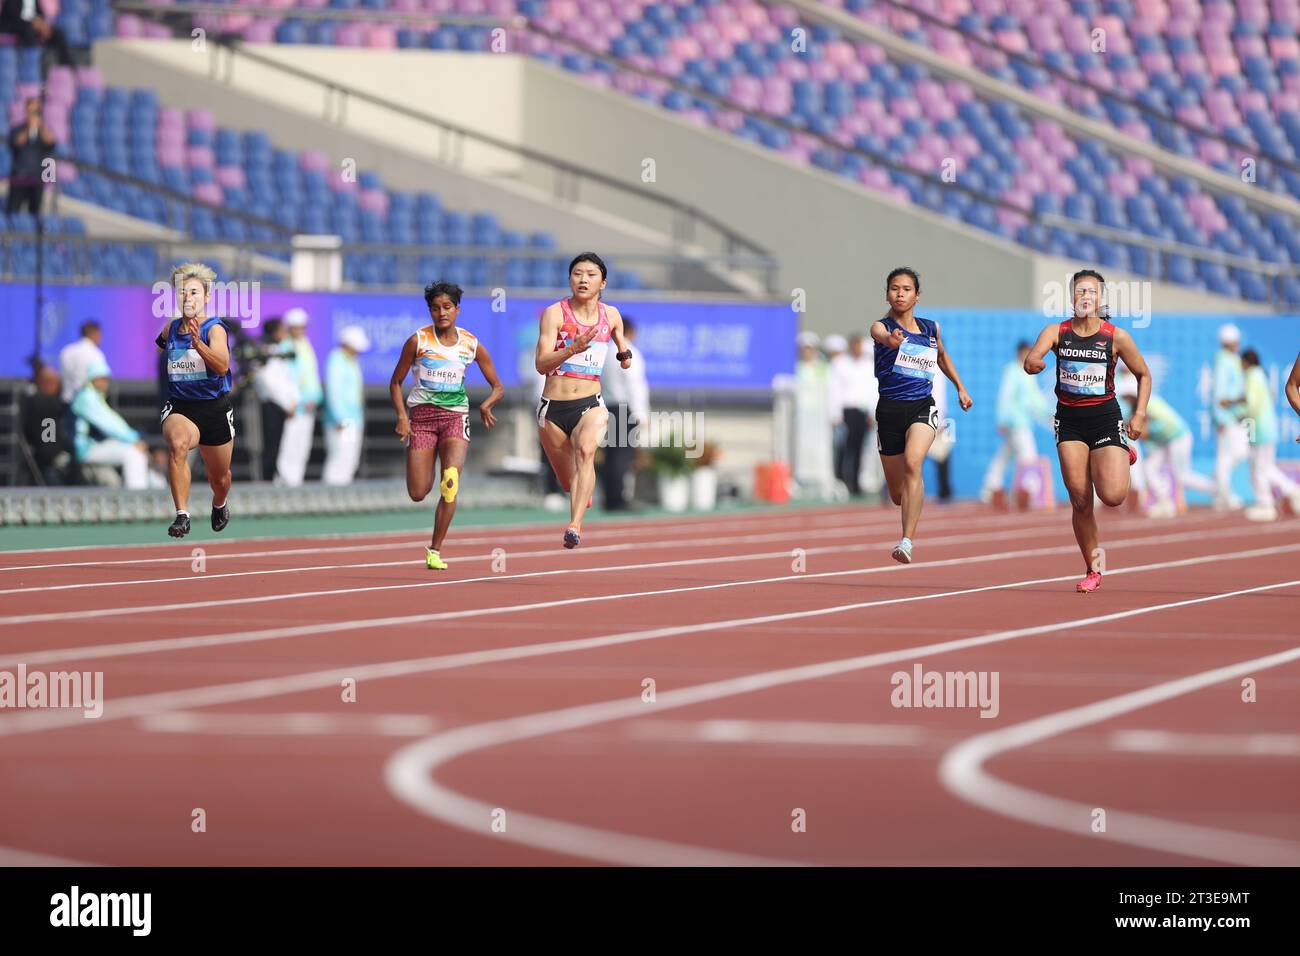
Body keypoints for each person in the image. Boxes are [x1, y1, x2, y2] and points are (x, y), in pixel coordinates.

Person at [1024, 269, 1150, 593]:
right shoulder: (1057, 331)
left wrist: (1139, 415)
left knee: (1112, 496)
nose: (1086, 298)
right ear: (1072, 297)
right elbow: (1031, 359)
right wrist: (1035, 362)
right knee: (1080, 501)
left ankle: (1121, 451)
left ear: (1100, 299)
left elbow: (1143, 374)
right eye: (1080, 292)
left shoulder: (1115, 337)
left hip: (1106, 419)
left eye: (1092, 293)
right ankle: (1093, 569)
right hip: (1069, 422)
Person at [390, 281, 504, 569]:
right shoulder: (418, 341)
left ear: (457, 309)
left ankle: (435, 550)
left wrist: (487, 403)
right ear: (429, 311)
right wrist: (403, 417)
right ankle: (428, 488)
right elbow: (396, 382)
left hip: (455, 417)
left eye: (447, 307)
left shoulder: (470, 343)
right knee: (418, 493)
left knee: (450, 481)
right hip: (423, 420)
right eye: (435, 308)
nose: (441, 313)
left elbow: (498, 386)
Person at [870, 266, 973, 563]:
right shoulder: (881, 326)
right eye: (894, 288)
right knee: (898, 494)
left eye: (906, 289)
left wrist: (961, 388)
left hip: (921, 406)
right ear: (887, 294)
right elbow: (880, 335)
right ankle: (908, 504)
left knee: (914, 463)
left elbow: (942, 356)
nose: (900, 294)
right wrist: (892, 341)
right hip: (889, 409)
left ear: (917, 295)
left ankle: (906, 541)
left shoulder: (931, 328)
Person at [534, 252, 633, 548]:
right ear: (569, 279)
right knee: (569, 482)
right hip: (552, 408)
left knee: (586, 451)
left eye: (590, 274)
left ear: (603, 282)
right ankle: (580, 492)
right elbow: (541, 364)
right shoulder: (555, 314)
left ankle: (574, 525)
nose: (583, 279)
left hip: (590, 403)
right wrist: (572, 349)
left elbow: (621, 344)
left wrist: (624, 355)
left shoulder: (611, 315)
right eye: (577, 274)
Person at [154, 262, 235, 537]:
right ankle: (182, 515)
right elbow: (159, 348)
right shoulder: (170, 329)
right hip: (181, 407)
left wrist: (198, 346)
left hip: (214, 407)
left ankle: (220, 503)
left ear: (206, 297)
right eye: (183, 293)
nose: (188, 298)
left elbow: (222, 366)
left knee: (220, 478)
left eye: (194, 293)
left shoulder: (215, 330)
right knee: (177, 445)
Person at [1116, 373, 1215, 515]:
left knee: (1183, 476)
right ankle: (1165, 502)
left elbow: (1162, 427)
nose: (1125, 400)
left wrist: (1143, 432)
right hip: (1163, 442)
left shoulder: (1149, 404)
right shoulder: (1135, 408)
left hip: (1178, 438)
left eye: (1127, 396)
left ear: (1133, 393)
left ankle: (1216, 489)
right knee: (1149, 468)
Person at [981, 340, 1051, 506]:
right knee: (1029, 455)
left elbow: (1035, 399)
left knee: (1004, 455)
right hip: (1016, 423)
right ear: (1019, 353)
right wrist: (1003, 419)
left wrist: (1049, 414)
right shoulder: (1012, 371)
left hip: (1022, 422)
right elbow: (1005, 396)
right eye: (1026, 352)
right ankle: (1027, 492)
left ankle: (989, 488)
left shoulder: (1027, 372)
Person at [69, 360, 154, 489]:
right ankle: (136, 498)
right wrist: (134, 438)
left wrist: (134, 438)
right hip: (86, 450)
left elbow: (113, 422)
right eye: (102, 379)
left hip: (96, 445)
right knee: (133, 452)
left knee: (136, 451)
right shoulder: (86, 398)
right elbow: (110, 425)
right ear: (93, 379)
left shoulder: (95, 396)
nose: (105, 383)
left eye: (106, 379)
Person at [1241, 348, 1300, 521]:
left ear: (1245, 362)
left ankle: (1265, 505)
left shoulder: (1252, 377)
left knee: (1257, 468)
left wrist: (1239, 417)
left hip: (1257, 427)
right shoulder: (1261, 375)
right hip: (1267, 427)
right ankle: (1292, 490)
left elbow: (1250, 406)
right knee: (1266, 467)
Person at [600, 314, 649, 511]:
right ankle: (619, 499)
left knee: (611, 455)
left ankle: (610, 498)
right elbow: (635, 386)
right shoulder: (628, 351)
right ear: (629, 331)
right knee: (622, 456)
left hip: (608, 406)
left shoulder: (604, 353)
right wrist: (641, 414)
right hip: (625, 408)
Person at [277, 307, 322, 486]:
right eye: (297, 326)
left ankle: (296, 481)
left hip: (308, 406)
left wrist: (314, 398)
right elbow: (286, 377)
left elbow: (312, 375)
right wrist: (293, 401)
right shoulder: (285, 346)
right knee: (289, 445)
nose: (301, 329)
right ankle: (284, 482)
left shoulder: (306, 344)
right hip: (294, 406)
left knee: (302, 446)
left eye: (303, 326)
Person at [322, 325, 371, 486]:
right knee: (341, 457)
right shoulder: (336, 360)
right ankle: (331, 495)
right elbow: (334, 392)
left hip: (352, 420)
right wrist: (340, 418)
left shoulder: (351, 361)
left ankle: (341, 494)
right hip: (343, 421)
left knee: (349, 458)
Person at [830, 333, 877, 497]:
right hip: (847, 411)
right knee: (844, 448)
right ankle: (841, 481)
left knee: (858, 449)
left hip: (863, 412)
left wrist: (872, 412)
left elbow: (873, 390)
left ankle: (855, 484)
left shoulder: (869, 365)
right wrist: (835, 414)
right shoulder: (840, 364)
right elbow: (835, 390)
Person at [252, 318, 298, 483]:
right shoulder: (265, 352)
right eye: (281, 329)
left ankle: (273, 478)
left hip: (281, 406)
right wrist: (285, 403)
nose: (284, 332)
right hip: (271, 404)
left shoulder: (279, 350)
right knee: (269, 445)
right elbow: (269, 384)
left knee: (278, 445)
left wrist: (291, 401)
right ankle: (266, 479)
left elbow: (286, 380)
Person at [793, 330, 835, 497]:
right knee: (801, 448)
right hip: (801, 418)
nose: (806, 351)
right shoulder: (795, 368)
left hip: (820, 418)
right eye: (804, 348)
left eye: (809, 348)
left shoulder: (824, 368)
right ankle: (800, 479)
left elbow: (832, 392)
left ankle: (822, 479)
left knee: (821, 448)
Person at [1211, 323, 1248, 510]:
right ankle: (1224, 494)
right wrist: (1220, 418)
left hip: (1234, 416)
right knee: (1230, 457)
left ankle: (1221, 492)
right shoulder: (1224, 361)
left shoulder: (1231, 359)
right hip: (1228, 417)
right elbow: (1219, 391)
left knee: (1230, 457)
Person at [19, 363, 72, 484]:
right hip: (49, 466)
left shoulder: (32, 401)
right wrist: (58, 456)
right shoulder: (46, 404)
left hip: (43, 457)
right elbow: (48, 441)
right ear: (46, 383)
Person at [6, 97, 56, 217]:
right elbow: (17, 142)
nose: (33, 114)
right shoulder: (17, 129)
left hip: (37, 178)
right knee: (13, 211)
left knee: (35, 213)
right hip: (19, 176)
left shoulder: (44, 131)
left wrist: (40, 127)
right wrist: (29, 127)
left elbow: (51, 142)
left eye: (36, 111)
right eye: (31, 111)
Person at [0, 0, 73, 68]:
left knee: (58, 33)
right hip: (15, 27)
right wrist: (33, 23)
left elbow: (40, 14)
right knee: (28, 32)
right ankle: (32, 65)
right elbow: (13, 16)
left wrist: (43, 26)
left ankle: (65, 65)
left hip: (33, 27)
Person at [57, 319, 105, 403]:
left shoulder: (66, 351)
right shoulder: (96, 354)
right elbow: (99, 383)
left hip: (65, 403)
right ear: (96, 334)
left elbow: (60, 378)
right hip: (86, 405)